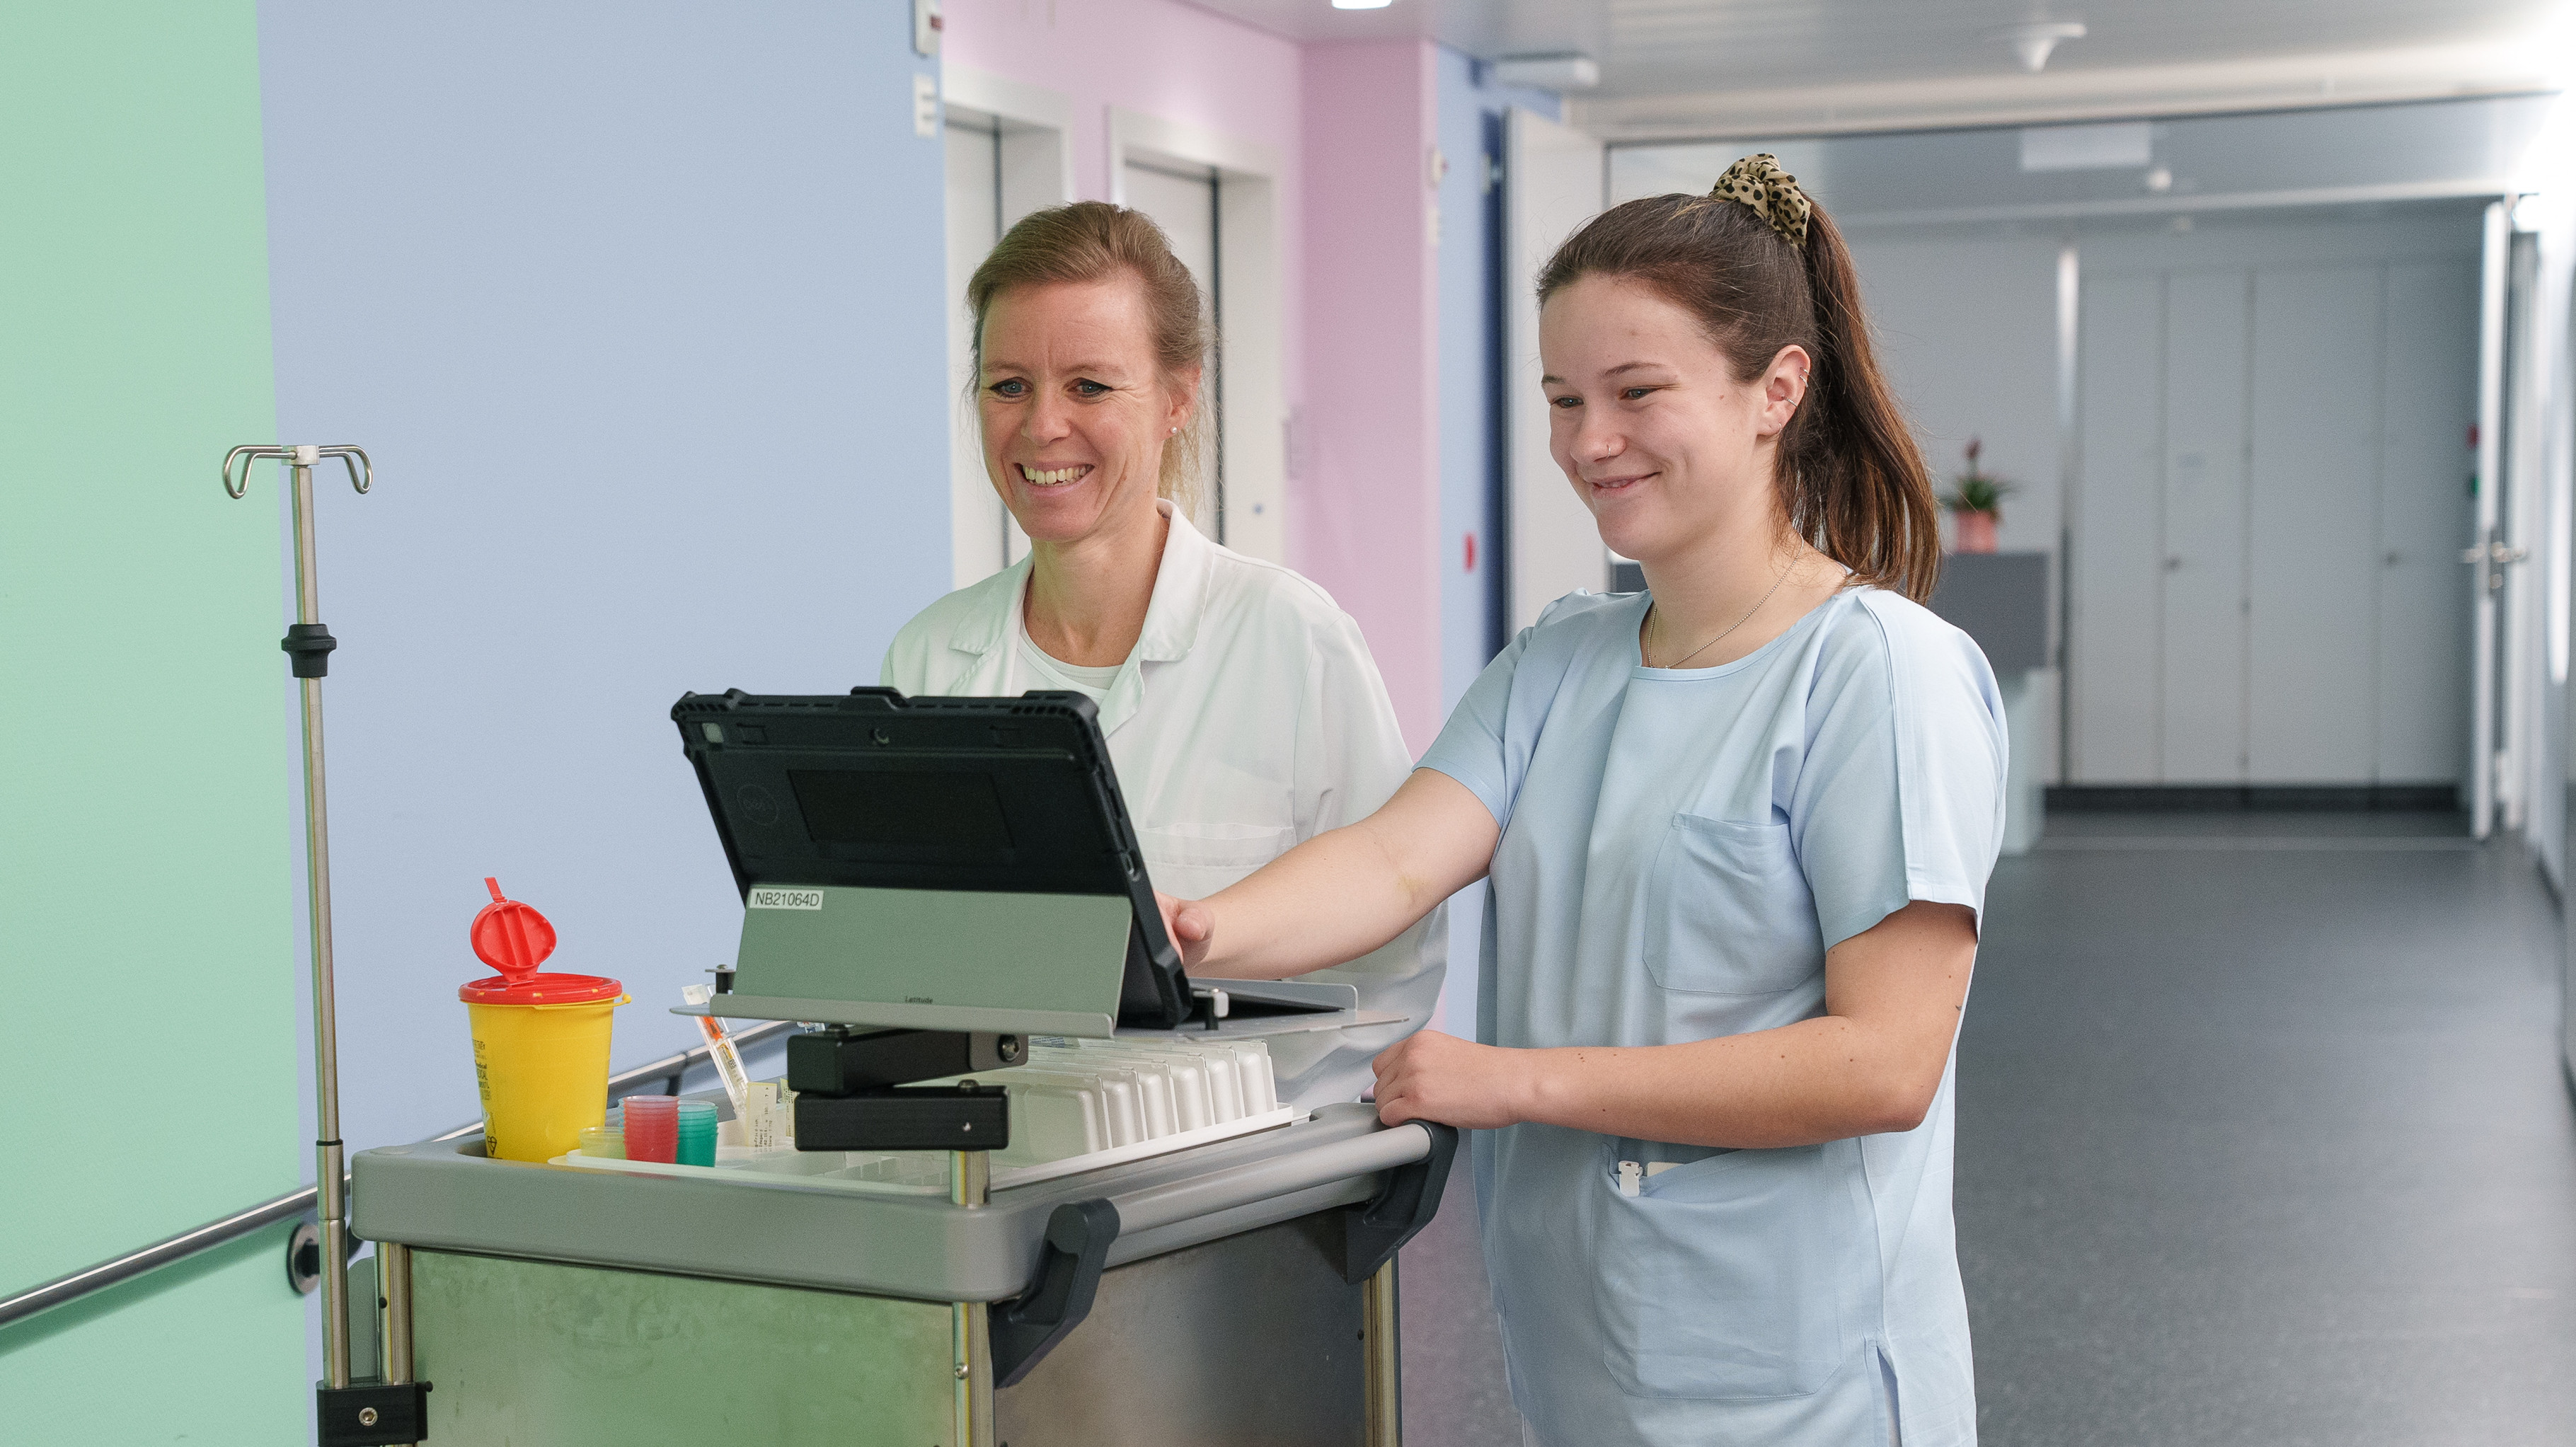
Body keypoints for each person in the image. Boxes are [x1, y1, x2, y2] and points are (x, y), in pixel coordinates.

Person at [1156, 156, 2003, 1446]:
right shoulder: (1563, 659)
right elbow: (1393, 860)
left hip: (1799, 1377)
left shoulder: (1880, 675)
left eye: (1635, 393)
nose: (1587, 442)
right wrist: (1189, 930)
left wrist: (1516, 1083)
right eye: (1562, 399)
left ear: (1778, 389)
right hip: (1587, 1354)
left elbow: (1884, 1062)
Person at [881, 201, 1440, 1106]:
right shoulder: (932, 657)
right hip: (988, 1165)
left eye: (1091, 387)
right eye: (1008, 384)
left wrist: (1249, 1126)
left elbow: (1392, 968)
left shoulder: (1289, 638)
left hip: (1239, 1180)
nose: (1042, 427)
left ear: (1179, 397)